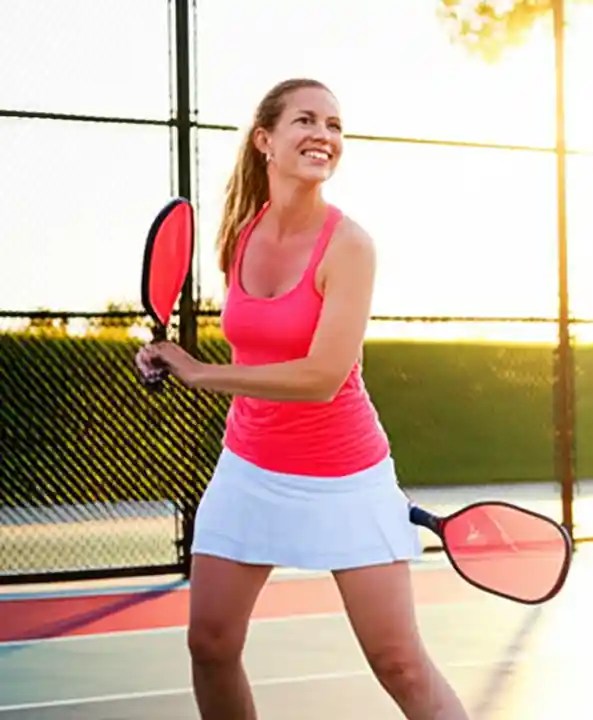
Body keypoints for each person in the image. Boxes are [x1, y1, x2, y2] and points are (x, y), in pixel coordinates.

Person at [136, 78, 470, 720]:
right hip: (250, 469)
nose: (325, 135)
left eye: (336, 125)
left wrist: (200, 374)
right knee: (209, 643)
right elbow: (252, 350)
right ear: (265, 139)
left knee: (400, 663)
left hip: (346, 476)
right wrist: (164, 358)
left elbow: (321, 377)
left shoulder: (350, 246)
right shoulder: (240, 232)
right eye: (307, 120)